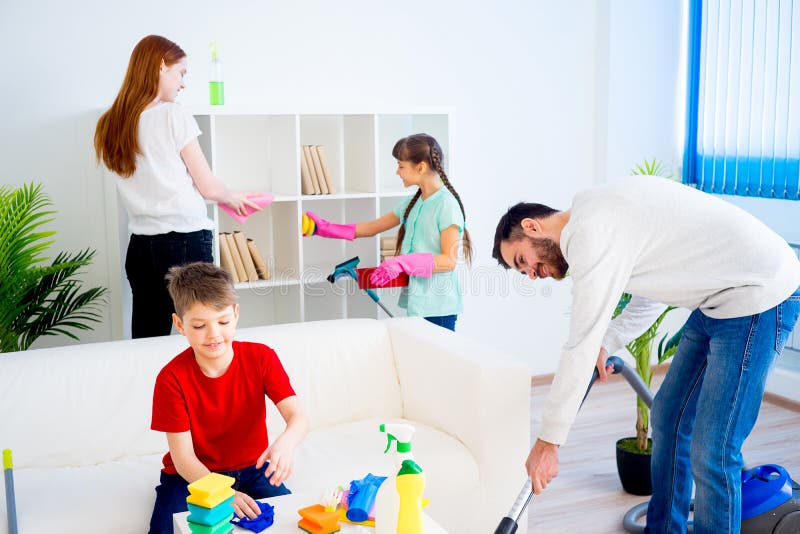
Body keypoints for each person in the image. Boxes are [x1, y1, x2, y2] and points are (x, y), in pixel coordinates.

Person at [492, 175, 800, 533]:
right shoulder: (600, 219)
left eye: (522, 260)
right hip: (719, 302)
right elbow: (650, 296)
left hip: (759, 294)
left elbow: (579, 344)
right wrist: (606, 343)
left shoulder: (589, 231)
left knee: (713, 450)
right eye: (523, 272)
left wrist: (547, 443)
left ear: (532, 226)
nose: (531, 274)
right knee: (669, 416)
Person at [94, 35, 260, 339]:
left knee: (147, 339)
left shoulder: (111, 123)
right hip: (185, 242)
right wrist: (234, 196)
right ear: (161, 66)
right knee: (209, 336)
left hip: (141, 247)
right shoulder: (173, 114)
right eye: (181, 73)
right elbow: (208, 187)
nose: (183, 84)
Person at [148, 262, 308, 533]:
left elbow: (298, 416)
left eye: (222, 322)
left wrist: (285, 444)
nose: (214, 335)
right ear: (180, 324)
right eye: (199, 325)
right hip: (191, 476)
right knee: (166, 529)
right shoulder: (171, 378)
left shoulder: (261, 358)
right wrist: (223, 494)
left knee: (290, 523)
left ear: (235, 313)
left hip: (254, 469)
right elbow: (183, 458)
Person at [303, 133, 472, 331]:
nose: (397, 172)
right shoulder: (414, 202)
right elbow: (371, 228)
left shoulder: (446, 205)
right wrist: (324, 228)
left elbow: (448, 261)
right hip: (418, 304)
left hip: (440, 309)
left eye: (401, 166)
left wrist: (401, 263)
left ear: (421, 167)